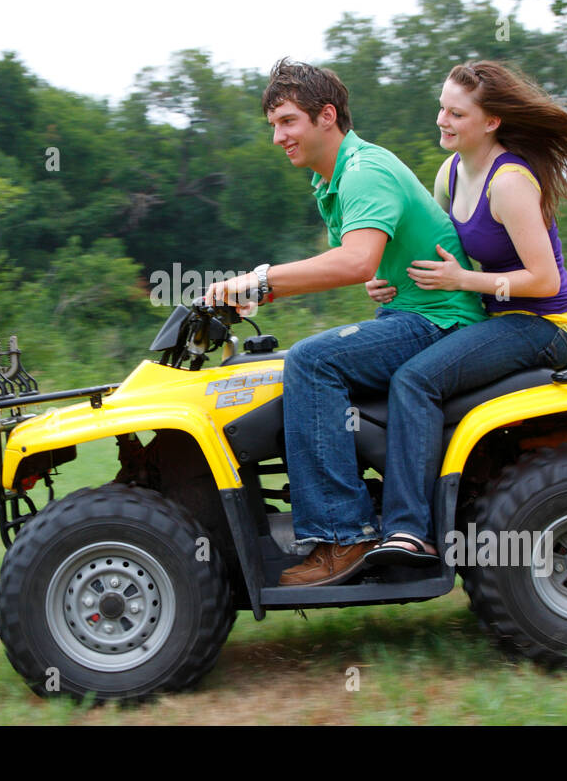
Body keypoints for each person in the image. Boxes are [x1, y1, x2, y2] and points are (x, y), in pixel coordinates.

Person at [203, 59, 486, 587]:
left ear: (326, 116)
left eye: (287, 122)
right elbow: (367, 259)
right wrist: (383, 276)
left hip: (443, 321)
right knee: (290, 363)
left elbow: (353, 258)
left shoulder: (363, 171)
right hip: (410, 309)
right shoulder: (328, 179)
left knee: (311, 360)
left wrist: (259, 281)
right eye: (273, 125)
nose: (277, 137)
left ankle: (343, 535)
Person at [360, 60, 567, 569]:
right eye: (441, 108)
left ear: (490, 122)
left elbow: (545, 281)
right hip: (493, 320)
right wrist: (390, 282)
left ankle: (409, 533)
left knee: (416, 381)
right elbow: (440, 254)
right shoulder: (448, 174)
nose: (442, 120)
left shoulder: (509, 181)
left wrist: (464, 282)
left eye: (456, 113)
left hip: (544, 326)